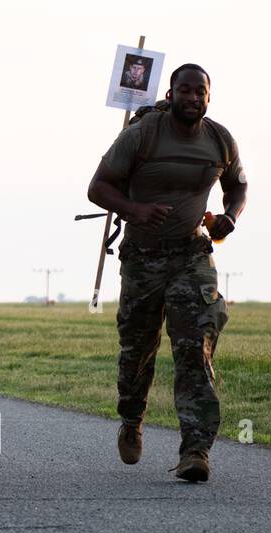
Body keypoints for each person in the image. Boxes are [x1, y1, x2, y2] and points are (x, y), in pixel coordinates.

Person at [87, 63, 247, 482]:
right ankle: (132, 417)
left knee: (195, 349)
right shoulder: (143, 134)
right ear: (172, 93)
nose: (194, 98)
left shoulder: (219, 139)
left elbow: (238, 184)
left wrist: (230, 215)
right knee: (137, 351)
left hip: (193, 255)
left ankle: (196, 450)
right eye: (186, 90)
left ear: (208, 97)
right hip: (142, 257)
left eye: (201, 92)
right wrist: (136, 209)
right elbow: (98, 186)